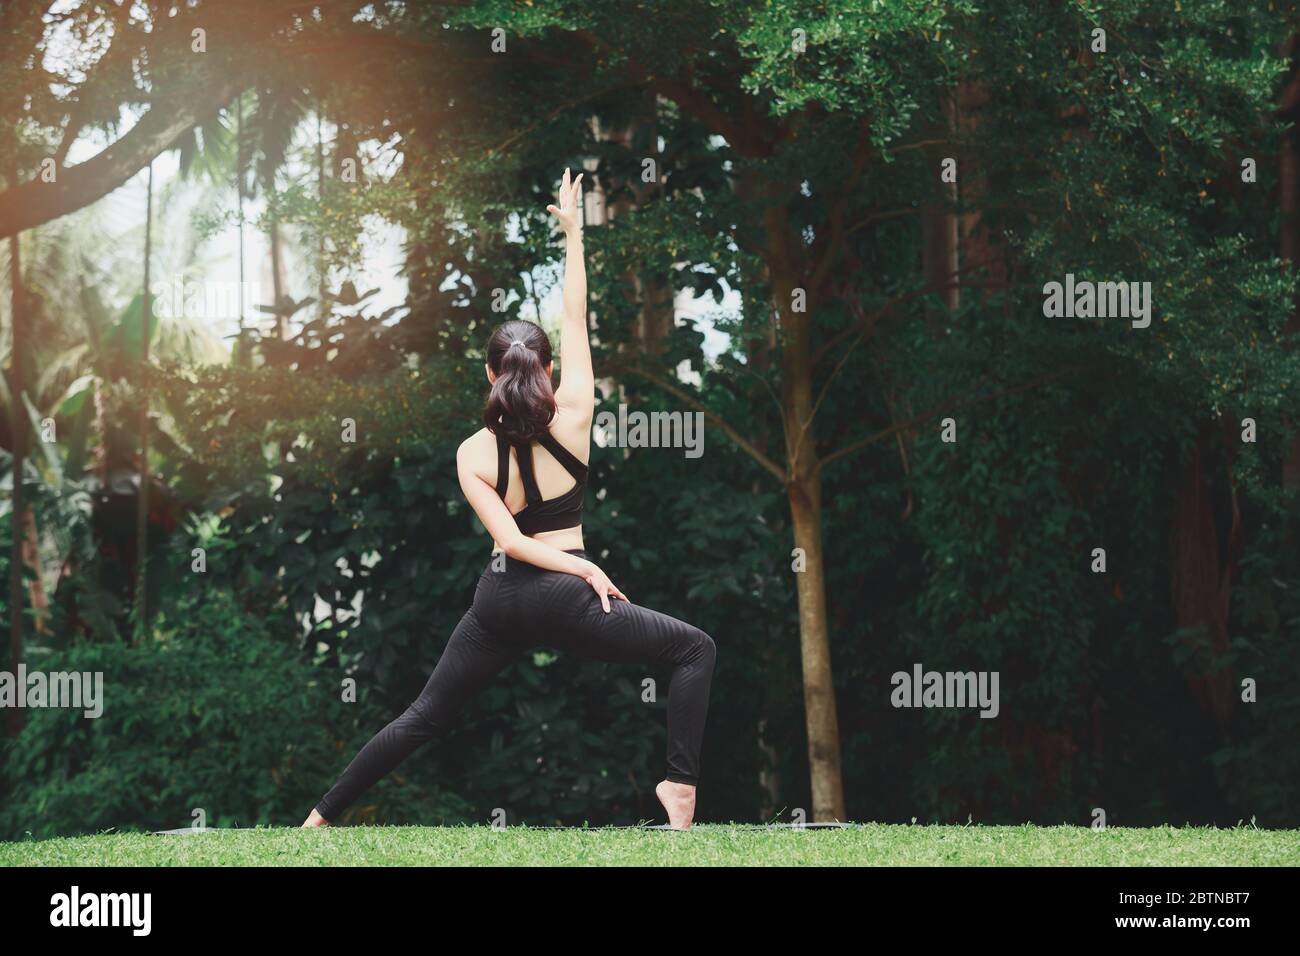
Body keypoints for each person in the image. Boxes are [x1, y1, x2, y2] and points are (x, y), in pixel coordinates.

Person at [302, 168, 716, 830]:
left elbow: (508, 544)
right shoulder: (577, 409)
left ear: (489, 374)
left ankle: (318, 821)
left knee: (425, 716)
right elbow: (576, 314)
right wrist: (574, 236)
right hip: (567, 598)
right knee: (694, 649)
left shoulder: (472, 451)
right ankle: (680, 791)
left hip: (501, 601)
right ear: (547, 369)